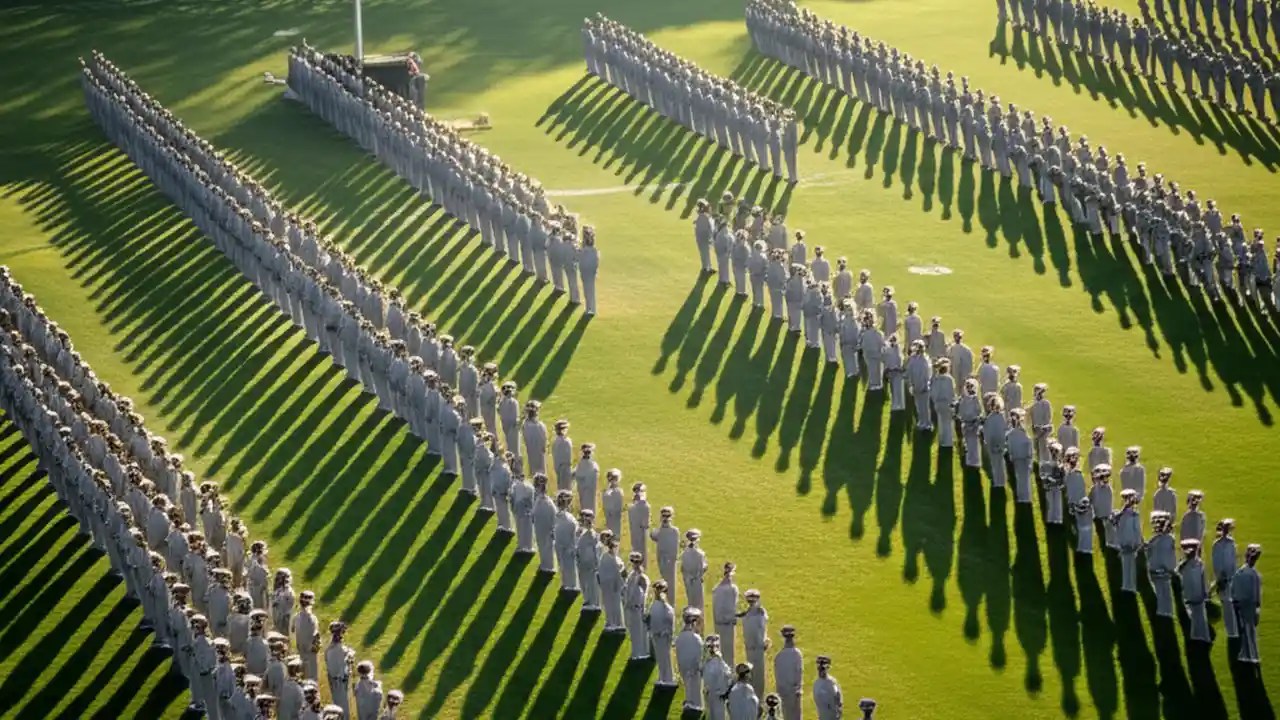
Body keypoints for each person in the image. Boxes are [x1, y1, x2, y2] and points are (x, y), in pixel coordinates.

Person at [1230, 544, 1263, 663]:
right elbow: (1256, 593)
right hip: (1247, 605)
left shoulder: (1242, 572)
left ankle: (1247, 654)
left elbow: (1235, 589)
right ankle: (1251, 655)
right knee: (1249, 630)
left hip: (1244, 604)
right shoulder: (1252, 574)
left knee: (1246, 630)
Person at [1178, 539, 1212, 644]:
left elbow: (1203, 579)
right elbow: (1177, 576)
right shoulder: (1183, 565)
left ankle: (1202, 637)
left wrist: (1205, 592)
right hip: (1189, 595)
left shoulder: (1199, 564)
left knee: (1200, 617)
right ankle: (1197, 637)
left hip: (1198, 594)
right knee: (1195, 617)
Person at [1147, 512, 1177, 618]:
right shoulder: (1166, 539)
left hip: (1159, 569)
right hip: (1160, 569)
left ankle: (1164, 611)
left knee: (1163, 591)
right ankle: (1165, 611)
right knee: (1164, 591)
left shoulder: (1157, 540)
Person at [1213, 519, 1239, 638]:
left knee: (1231, 604)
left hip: (1231, 578)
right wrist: (1220, 578)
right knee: (1226, 604)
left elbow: (1234, 561)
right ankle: (1231, 631)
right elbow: (1216, 563)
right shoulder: (1217, 545)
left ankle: (1234, 630)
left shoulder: (1231, 543)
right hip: (1223, 580)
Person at [740, 589, 769, 697]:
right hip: (757, 647)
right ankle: (758, 695)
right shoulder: (759, 614)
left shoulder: (748, 615)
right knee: (758, 673)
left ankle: (756, 694)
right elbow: (761, 629)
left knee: (754, 672)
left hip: (751, 647)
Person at [649, 580, 678, 686]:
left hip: (663, 635)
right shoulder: (655, 604)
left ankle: (669, 678)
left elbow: (670, 620)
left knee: (665, 657)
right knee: (660, 657)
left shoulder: (666, 607)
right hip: (656, 634)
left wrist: (667, 632)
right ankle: (662, 677)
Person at [676, 607, 706, 712]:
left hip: (683, 666)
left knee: (688, 685)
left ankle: (689, 701)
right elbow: (700, 656)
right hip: (694, 668)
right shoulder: (696, 638)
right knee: (695, 687)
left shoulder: (680, 637)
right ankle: (696, 705)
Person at [1114, 489, 1143, 593]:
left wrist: (1137, 543)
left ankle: (1131, 586)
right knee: (1126, 565)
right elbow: (1116, 525)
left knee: (1131, 566)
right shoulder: (1120, 515)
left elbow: (1137, 530)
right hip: (1124, 542)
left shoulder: (1135, 515)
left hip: (1132, 543)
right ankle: (1126, 585)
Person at [650, 506, 680, 605]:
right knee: (663, 581)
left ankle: (671, 604)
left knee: (670, 584)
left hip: (670, 562)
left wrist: (672, 560)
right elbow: (653, 535)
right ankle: (662, 601)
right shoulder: (660, 530)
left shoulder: (674, 531)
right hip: (661, 559)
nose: (666, 518)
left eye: (668, 516)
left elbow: (675, 550)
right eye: (664, 516)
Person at [713, 562, 741, 666]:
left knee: (721, 651)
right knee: (729, 653)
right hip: (728, 624)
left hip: (719, 624)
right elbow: (733, 607)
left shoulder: (717, 589)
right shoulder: (733, 589)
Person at [624, 551, 651, 659]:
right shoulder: (632, 575)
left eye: (636, 562)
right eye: (633, 561)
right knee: (634, 631)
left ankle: (640, 653)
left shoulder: (642, 577)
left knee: (639, 631)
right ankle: (636, 651)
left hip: (638, 607)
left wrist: (643, 608)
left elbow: (644, 594)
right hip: (631, 606)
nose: (634, 564)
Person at [598, 531, 626, 632]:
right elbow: (603, 573)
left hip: (614, 586)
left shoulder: (615, 558)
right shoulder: (606, 558)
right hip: (609, 586)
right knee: (610, 604)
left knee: (615, 604)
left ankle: (616, 623)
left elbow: (620, 572)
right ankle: (612, 622)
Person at [774, 625, 803, 720]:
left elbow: (777, 677)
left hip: (783, 692)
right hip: (794, 692)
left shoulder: (779, 656)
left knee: (786, 715)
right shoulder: (797, 654)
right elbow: (799, 673)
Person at [554, 490, 580, 592]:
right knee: (570, 566)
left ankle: (566, 583)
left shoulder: (557, 516)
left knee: (563, 564)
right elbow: (575, 533)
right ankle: (571, 585)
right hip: (568, 545)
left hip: (560, 543)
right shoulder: (570, 519)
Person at [702, 636, 734, 720]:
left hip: (715, 694)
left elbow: (727, 676)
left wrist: (723, 691)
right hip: (714, 694)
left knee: (715, 715)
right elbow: (727, 675)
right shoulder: (712, 661)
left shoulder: (716, 662)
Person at [576, 509, 601, 611]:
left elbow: (596, 550)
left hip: (590, 562)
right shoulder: (580, 532)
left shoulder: (592, 534)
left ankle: (594, 602)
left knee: (591, 582)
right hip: (581, 561)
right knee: (584, 581)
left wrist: (596, 563)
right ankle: (587, 600)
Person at [532, 475, 557, 573]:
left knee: (546, 545)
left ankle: (548, 565)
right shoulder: (540, 500)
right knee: (542, 544)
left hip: (545, 527)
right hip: (540, 526)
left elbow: (553, 516)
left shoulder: (547, 502)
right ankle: (545, 563)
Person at [682, 528, 709, 612]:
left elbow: (683, 568)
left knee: (690, 599)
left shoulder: (684, 553)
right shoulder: (700, 554)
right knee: (699, 603)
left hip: (687, 579)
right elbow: (702, 568)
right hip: (696, 580)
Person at [812, 656, 843, 720]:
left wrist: (838, 710)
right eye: (819, 669)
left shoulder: (832, 682)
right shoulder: (816, 683)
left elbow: (838, 698)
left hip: (832, 715)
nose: (820, 672)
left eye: (822, 669)